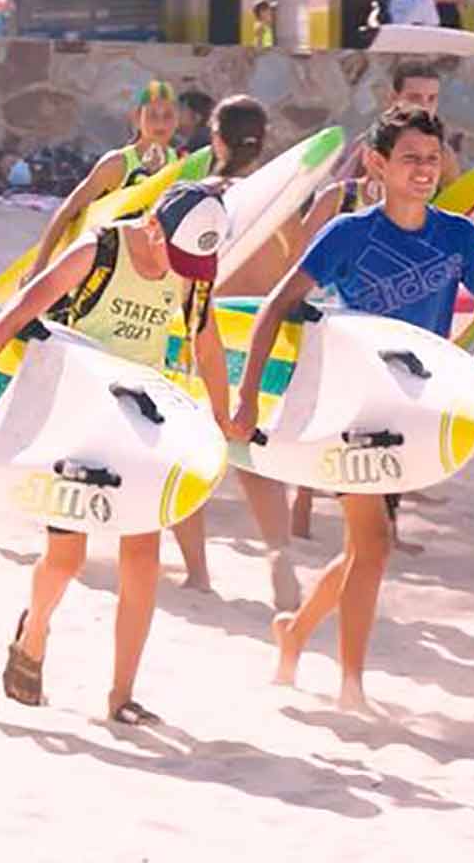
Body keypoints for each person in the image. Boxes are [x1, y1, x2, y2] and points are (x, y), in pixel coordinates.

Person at [0, 182, 240, 727]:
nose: (182, 270)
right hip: (73, 418)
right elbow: (17, 314)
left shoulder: (191, 271)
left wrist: (223, 415)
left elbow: (206, 340)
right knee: (66, 559)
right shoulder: (97, 253)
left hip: (140, 425)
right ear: (153, 226)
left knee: (143, 558)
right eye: (175, 254)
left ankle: (122, 696)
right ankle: (34, 632)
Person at [239, 107, 474, 716]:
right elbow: (272, 310)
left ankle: (296, 633)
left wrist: (472, 384)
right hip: (351, 405)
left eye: (432, 158)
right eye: (411, 159)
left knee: (371, 544)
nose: (424, 170)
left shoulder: (459, 235)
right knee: (375, 542)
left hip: (414, 410)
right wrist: (247, 396)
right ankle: (351, 687)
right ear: (378, 164)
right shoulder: (348, 234)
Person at [288, 64, 462, 548]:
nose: (426, 104)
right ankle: (301, 510)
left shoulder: (434, 159)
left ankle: (385, 528)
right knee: (319, 414)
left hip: (399, 318)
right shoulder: (350, 184)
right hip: (335, 320)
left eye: (433, 96)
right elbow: (304, 255)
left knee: (395, 421)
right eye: (417, 95)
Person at [184, 95, 306, 606]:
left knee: (188, 450)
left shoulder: (196, 198)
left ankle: (198, 573)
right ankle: (279, 555)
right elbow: (300, 266)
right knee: (252, 455)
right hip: (261, 338)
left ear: (216, 140)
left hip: (209, 331)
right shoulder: (278, 206)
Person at [20, 80, 181, 287]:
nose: (160, 124)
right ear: (136, 117)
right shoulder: (118, 164)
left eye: (168, 115)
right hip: (108, 266)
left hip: (149, 271)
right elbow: (68, 210)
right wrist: (40, 267)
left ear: (177, 119)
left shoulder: (177, 163)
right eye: (152, 115)